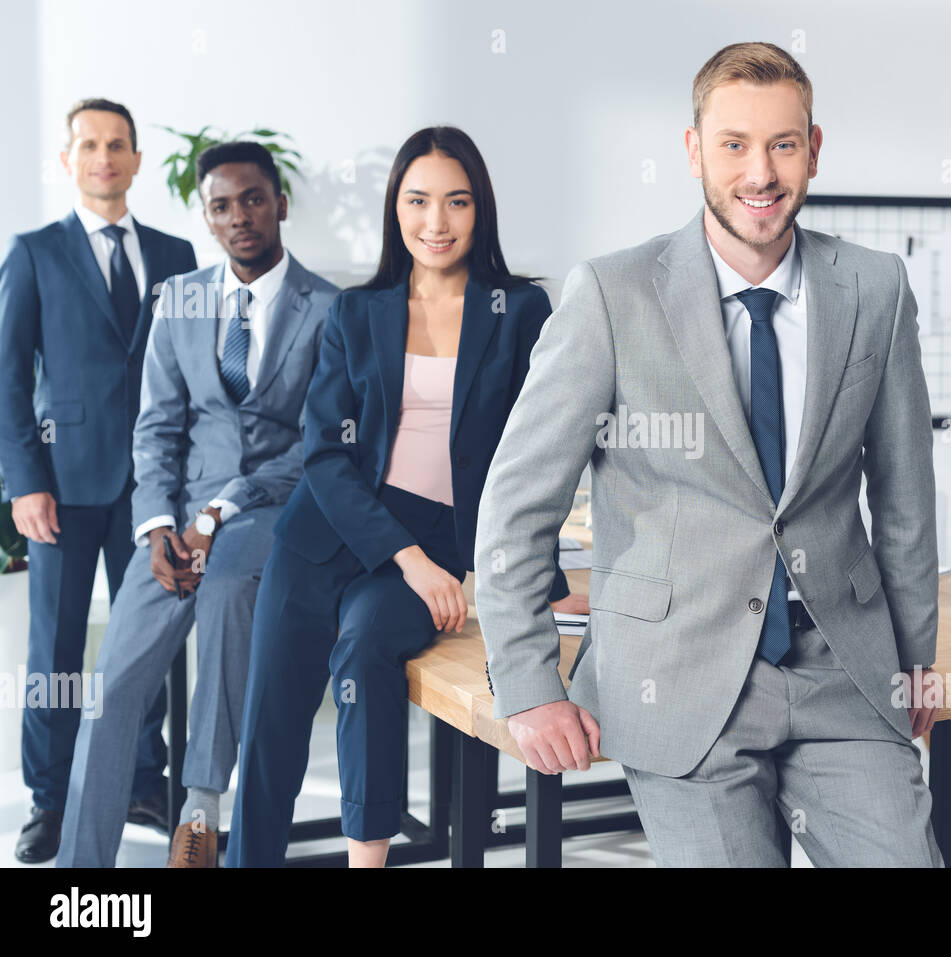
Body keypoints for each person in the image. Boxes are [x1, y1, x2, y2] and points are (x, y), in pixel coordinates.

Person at [474, 42, 946, 866]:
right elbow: (518, 504)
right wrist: (527, 685)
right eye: (734, 144)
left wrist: (918, 658)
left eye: (783, 144)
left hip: (844, 675)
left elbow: (904, 495)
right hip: (679, 681)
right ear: (694, 150)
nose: (759, 172)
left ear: (814, 148)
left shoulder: (875, 288)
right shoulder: (610, 295)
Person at [227, 126, 586, 868]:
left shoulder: (519, 311)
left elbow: (537, 458)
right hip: (325, 535)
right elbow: (325, 453)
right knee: (271, 728)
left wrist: (535, 577)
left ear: (479, 210)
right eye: (418, 200)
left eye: (456, 201)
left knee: (364, 652)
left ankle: (368, 861)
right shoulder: (357, 313)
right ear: (396, 208)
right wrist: (409, 557)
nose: (437, 221)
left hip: (439, 545)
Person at [55, 142, 339, 867]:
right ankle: (80, 871)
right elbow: (155, 428)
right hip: (174, 522)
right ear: (206, 218)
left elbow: (318, 444)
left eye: (252, 198)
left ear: (280, 203)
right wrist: (156, 526)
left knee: (224, 599)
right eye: (221, 205)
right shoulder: (179, 298)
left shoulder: (331, 309)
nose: (239, 216)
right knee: (110, 689)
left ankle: (200, 813)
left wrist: (219, 511)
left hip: (270, 512)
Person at [0, 99, 197, 864]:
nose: (104, 156)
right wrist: (24, 482)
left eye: (118, 144)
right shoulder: (35, 252)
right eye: (89, 144)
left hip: (154, 487)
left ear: (139, 160)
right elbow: (10, 380)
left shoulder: (179, 257)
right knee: (54, 650)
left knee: (146, 638)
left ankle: (145, 776)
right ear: (68, 160)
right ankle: (50, 799)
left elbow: (192, 375)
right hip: (63, 484)